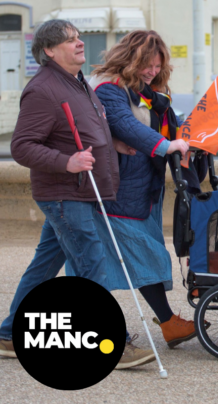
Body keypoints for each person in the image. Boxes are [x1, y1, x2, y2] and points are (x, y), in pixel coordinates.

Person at [0, 20, 157, 369]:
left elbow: (84, 129)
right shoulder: (43, 89)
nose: (79, 43)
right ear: (50, 51)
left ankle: (9, 335)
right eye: (69, 40)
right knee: (91, 265)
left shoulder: (77, 82)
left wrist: (110, 144)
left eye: (77, 37)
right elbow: (22, 146)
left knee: (44, 267)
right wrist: (66, 161)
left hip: (82, 191)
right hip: (64, 193)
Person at [81, 30, 204, 348]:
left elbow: (164, 124)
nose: (152, 71)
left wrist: (194, 137)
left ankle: (13, 325)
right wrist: (166, 145)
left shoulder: (145, 91)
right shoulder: (110, 88)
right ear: (130, 58)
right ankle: (166, 324)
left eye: (157, 65)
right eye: (147, 64)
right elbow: (126, 125)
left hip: (141, 191)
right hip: (118, 194)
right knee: (139, 256)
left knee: (71, 259)